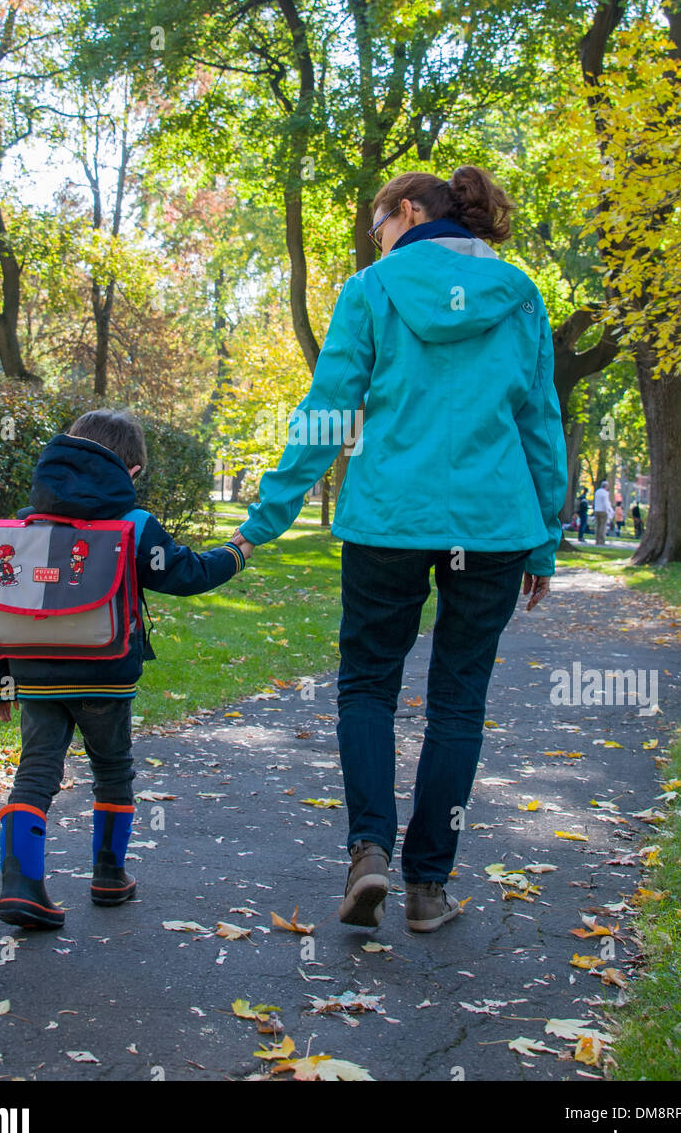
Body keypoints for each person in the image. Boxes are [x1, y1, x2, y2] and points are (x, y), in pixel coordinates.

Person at [234, 166, 567, 934]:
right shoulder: (518, 294)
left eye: (378, 221)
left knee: (367, 690)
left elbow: (329, 411)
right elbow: (538, 421)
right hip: (492, 525)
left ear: (408, 211)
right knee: (458, 704)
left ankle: (367, 853)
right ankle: (427, 890)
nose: (374, 236)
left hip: (388, 518)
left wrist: (267, 517)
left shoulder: (372, 290)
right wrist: (544, 542)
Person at [0, 408, 250, 930]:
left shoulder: (23, 525)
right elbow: (186, 574)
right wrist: (237, 553)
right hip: (105, 671)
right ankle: (108, 875)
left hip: (34, 673)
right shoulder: (133, 524)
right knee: (111, 770)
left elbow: (3, 610)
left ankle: (20, 886)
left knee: (36, 772)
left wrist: (0, 683)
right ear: (129, 470)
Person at [594, 479, 613, 544]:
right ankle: (601, 540)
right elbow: (606, 503)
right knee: (603, 526)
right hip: (603, 511)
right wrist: (609, 511)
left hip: (596, 510)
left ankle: (596, 540)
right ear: (606, 486)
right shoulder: (605, 493)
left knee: (597, 525)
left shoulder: (597, 492)